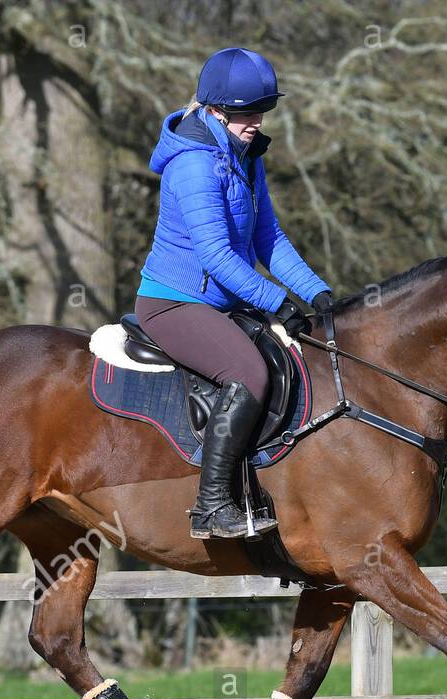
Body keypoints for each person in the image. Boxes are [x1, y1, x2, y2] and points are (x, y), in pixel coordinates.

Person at [134, 47, 333, 540]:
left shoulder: (245, 155)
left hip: (223, 300)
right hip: (174, 303)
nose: (256, 122)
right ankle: (211, 506)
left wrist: (319, 293)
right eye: (246, 113)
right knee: (247, 372)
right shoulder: (194, 165)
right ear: (216, 111)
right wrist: (279, 303)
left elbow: (269, 239)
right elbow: (217, 257)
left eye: (262, 111)